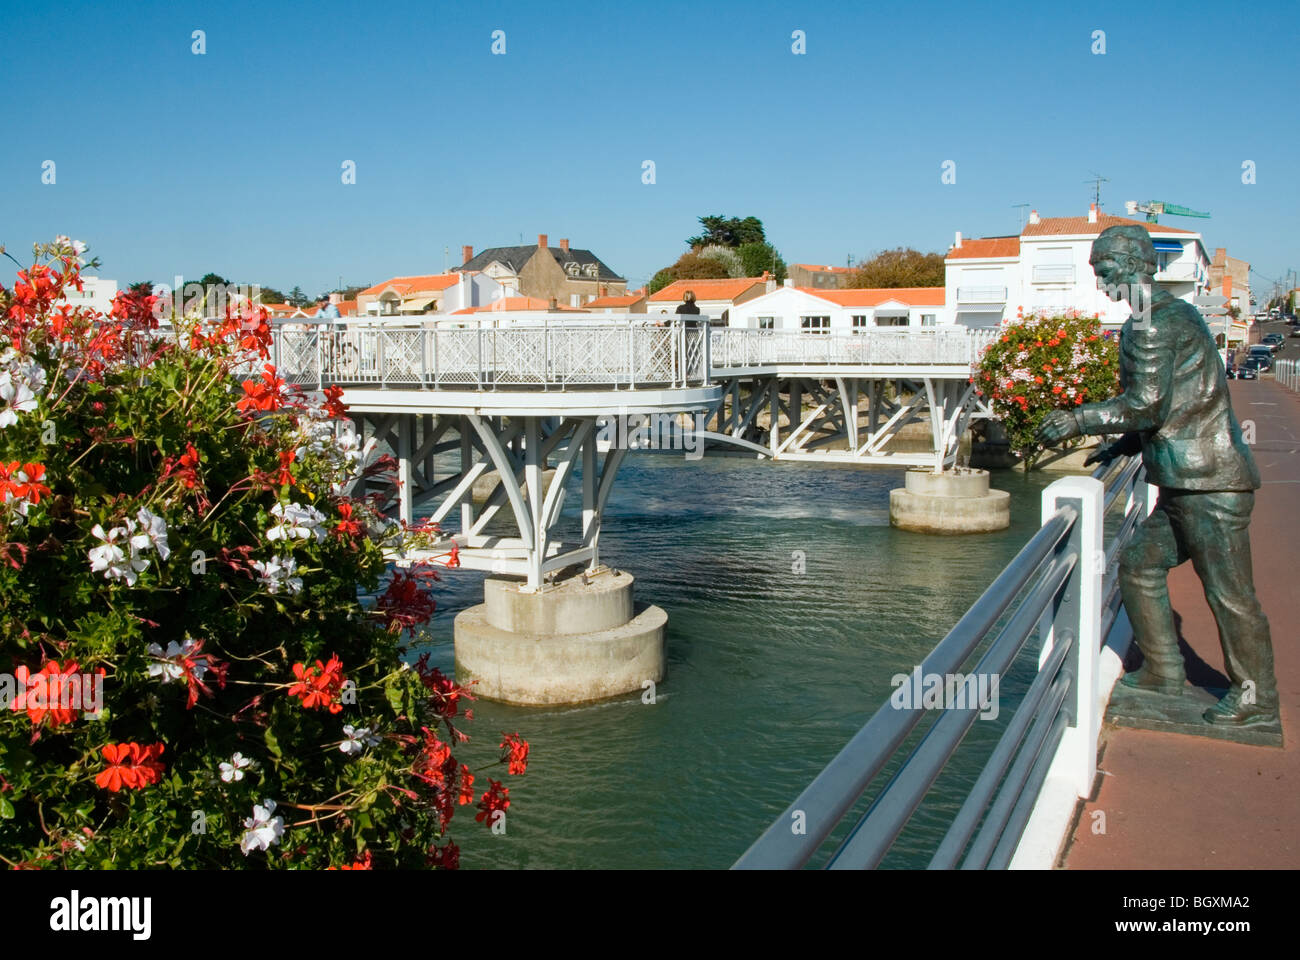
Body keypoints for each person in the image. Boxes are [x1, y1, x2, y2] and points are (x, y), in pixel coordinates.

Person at [1036, 225, 1275, 727]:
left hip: (1207, 483)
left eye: (1105, 271)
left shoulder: (1151, 323)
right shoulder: (1173, 315)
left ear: (1135, 265)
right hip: (1189, 479)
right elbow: (1183, 401)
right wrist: (1123, 444)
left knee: (1229, 593)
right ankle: (1165, 672)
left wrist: (1077, 419)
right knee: (1141, 564)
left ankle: (1256, 696)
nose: (1101, 283)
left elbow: (1146, 405)